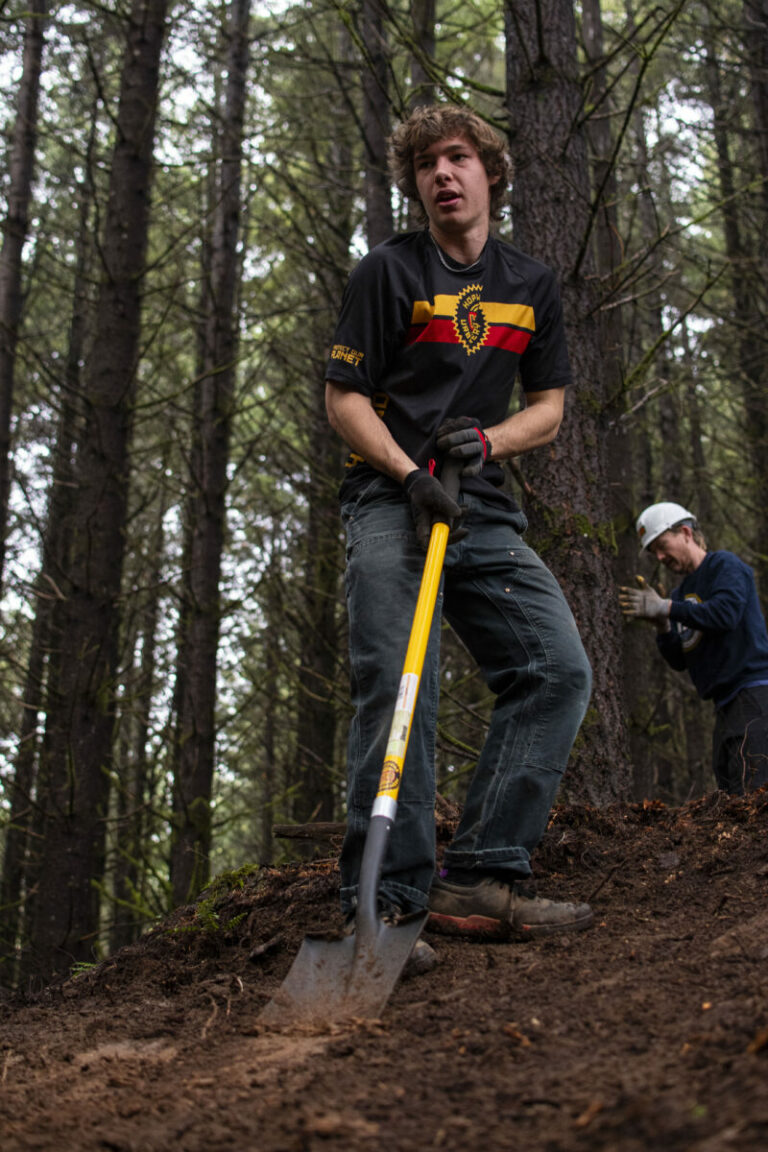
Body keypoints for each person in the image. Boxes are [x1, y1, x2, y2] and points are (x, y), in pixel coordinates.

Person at [324, 103, 594, 953]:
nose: (442, 174)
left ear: (489, 173)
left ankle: (481, 873)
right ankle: (388, 904)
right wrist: (407, 474)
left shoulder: (531, 285)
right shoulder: (387, 274)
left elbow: (548, 409)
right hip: (388, 499)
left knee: (556, 670)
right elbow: (344, 399)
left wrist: (490, 440)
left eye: (457, 158)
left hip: (479, 503)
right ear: (416, 188)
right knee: (405, 686)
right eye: (426, 166)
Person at [619, 502, 768, 794]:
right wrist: (663, 623)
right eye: (654, 553)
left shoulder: (724, 566)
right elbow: (680, 658)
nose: (660, 557)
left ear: (686, 532)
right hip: (725, 706)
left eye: (662, 546)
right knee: (732, 795)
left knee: (755, 797)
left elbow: (725, 614)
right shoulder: (681, 594)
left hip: (754, 695)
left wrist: (668, 607)